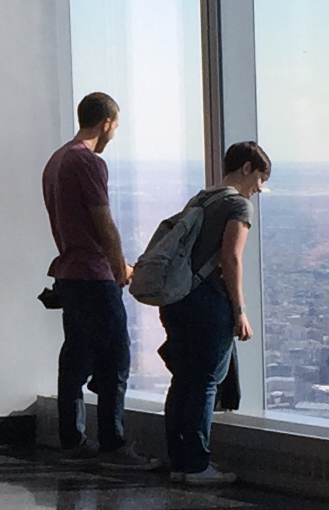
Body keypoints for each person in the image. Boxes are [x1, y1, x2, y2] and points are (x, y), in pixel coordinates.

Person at [157, 141, 270, 487]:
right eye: (260, 178)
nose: (259, 189)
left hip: (177, 298)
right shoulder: (238, 205)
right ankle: (196, 463)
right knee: (205, 383)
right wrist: (240, 309)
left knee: (183, 380)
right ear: (247, 168)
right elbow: (231, 257)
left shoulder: (201, 198)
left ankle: (180, 460)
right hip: (207, 303)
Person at [43, 91, 137, 465]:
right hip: (94, 274)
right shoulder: (88, 162)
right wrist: (119, 267)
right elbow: (103, 222)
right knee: (115, 358)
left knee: (75, 360)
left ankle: (73, 442)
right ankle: (113, 445)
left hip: (68, 274)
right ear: (108, 123)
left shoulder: (56, 161)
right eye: (116, 127)